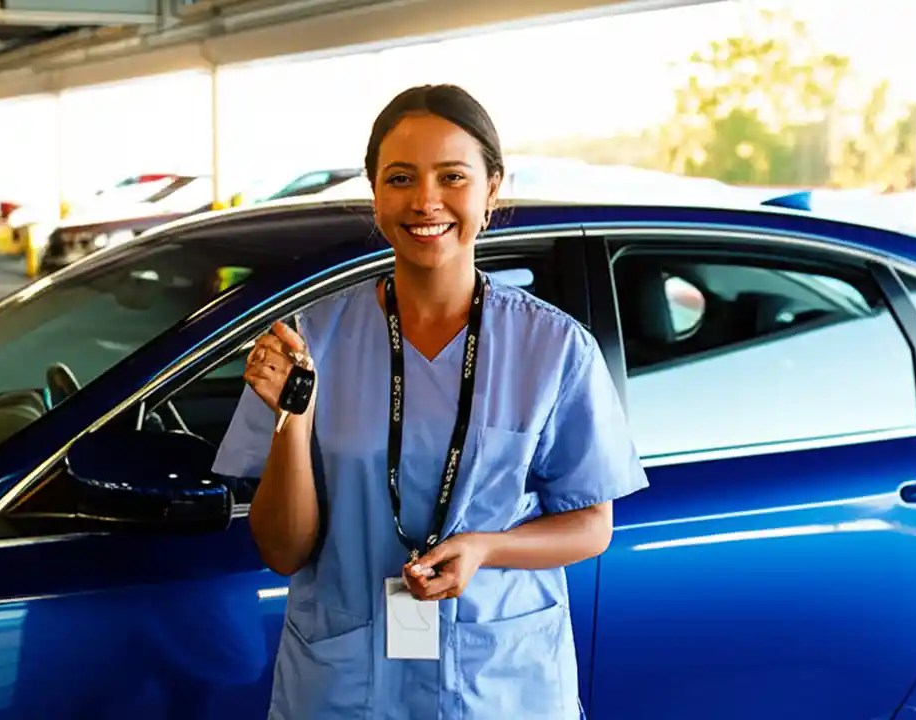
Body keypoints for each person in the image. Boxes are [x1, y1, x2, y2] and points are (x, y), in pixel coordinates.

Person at [212, 84, 649, 720]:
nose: (425, 202)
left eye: (452, 176)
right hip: (345, 682)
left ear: (493, 188)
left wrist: (485, 547)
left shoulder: (553, 347)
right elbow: (282, 551)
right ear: (374, 192)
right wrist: (293, 421)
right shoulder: (309, 343)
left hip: (497, 679)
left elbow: (590, 524)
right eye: (400, 178)